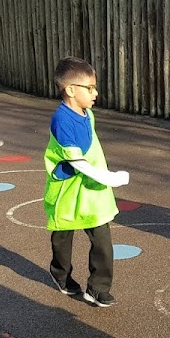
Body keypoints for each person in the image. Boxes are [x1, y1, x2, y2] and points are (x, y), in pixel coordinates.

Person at [45, 57, 129, 308]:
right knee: (62, 239)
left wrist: (102, 178)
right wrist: (110, 178)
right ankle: (60, 274)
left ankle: (98, 287)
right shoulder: (62, 121)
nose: (96, 93)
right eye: (89, 88)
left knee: (102, 239)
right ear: (71, 90)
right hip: (67, 191)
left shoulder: (88, 114)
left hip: (92, 192)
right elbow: (78, 162)